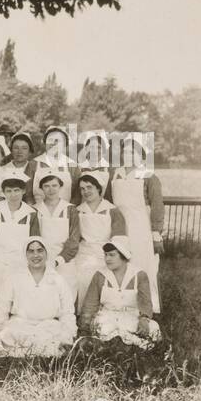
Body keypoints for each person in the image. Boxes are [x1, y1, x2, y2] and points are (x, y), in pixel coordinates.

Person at [106, 134, 164, 313]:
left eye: (134, 151)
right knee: (118, 262)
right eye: (126, 151)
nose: (129, 155)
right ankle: (119, 304)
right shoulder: (114, 173)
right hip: (118, 226)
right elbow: (108, 201)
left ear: (142, 155)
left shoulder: (149, 176)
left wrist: (156, 233)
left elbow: (157, 206)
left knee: (141, 264)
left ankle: (146, 307)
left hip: (140, 227)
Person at [0, 235, 77, 356]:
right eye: (31, 251)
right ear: (25, 254)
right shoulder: (14, 278)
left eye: (40, 250)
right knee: (14, 338)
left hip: (48, 326)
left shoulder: (57, 279)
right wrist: (0, 332)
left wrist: (69, 334)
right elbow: (1, 308)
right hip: (20, 325)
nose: (35, 255)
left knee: (53, 342)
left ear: (47, 253)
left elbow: (67, 312)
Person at [78, 235, 162, 349]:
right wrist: (84, 329)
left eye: (112, 255)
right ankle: (118, 346)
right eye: (106, 255)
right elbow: (90, 304)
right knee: (102, 330)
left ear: (124, 256)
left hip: (132, 316)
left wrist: (144, 318)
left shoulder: (139, 275)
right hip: (107, 317)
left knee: (153, 329)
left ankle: (128, 348)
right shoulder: (100, 275)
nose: (107, 259)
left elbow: (146, 302)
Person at [73, 172, 127, 307]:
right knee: (78, 276)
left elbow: (119, 237)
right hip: (84, 252)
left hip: (106, 252)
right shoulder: (78, 211)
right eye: (82, 189)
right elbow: (75, 237)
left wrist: (113, 256)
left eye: (89, 187)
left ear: (98, 188)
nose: (86, 191)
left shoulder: (112, 210)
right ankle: (81, 314)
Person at [0, 174, 40, 293]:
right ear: (3, 192)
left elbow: (35, 240)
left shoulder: (31, 213)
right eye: (9, 191)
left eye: (16, 190)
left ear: (23, 191)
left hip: (21, 261)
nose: (13, 195)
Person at [33, 173, 81, 297]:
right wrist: (42, 259)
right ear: (41, 188)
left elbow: (74, 239)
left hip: (65, 259)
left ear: (61, 187)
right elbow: (33, 236)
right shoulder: (34, 210)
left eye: (54, 185)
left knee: (66, 291)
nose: (51, 189)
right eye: (46, 186)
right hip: (41, 258)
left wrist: (59, 259)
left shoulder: (70, 209)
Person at [29, 125, 79, 205]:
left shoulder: (72, 165)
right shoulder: (33, 164)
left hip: (65, 213)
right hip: (39, 212)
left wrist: (70, 210)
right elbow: (28, 194)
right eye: (50, 140)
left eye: (57, 140)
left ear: (64, 144)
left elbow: (77, 194)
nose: (53, 143)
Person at [74, 130, 111, 204]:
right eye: (91, 147)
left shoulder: (109, 169)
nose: (95, 150)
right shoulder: (79, 168)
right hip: (82, 209)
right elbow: (75, 195)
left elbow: (110, 196)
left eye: (99, 147)